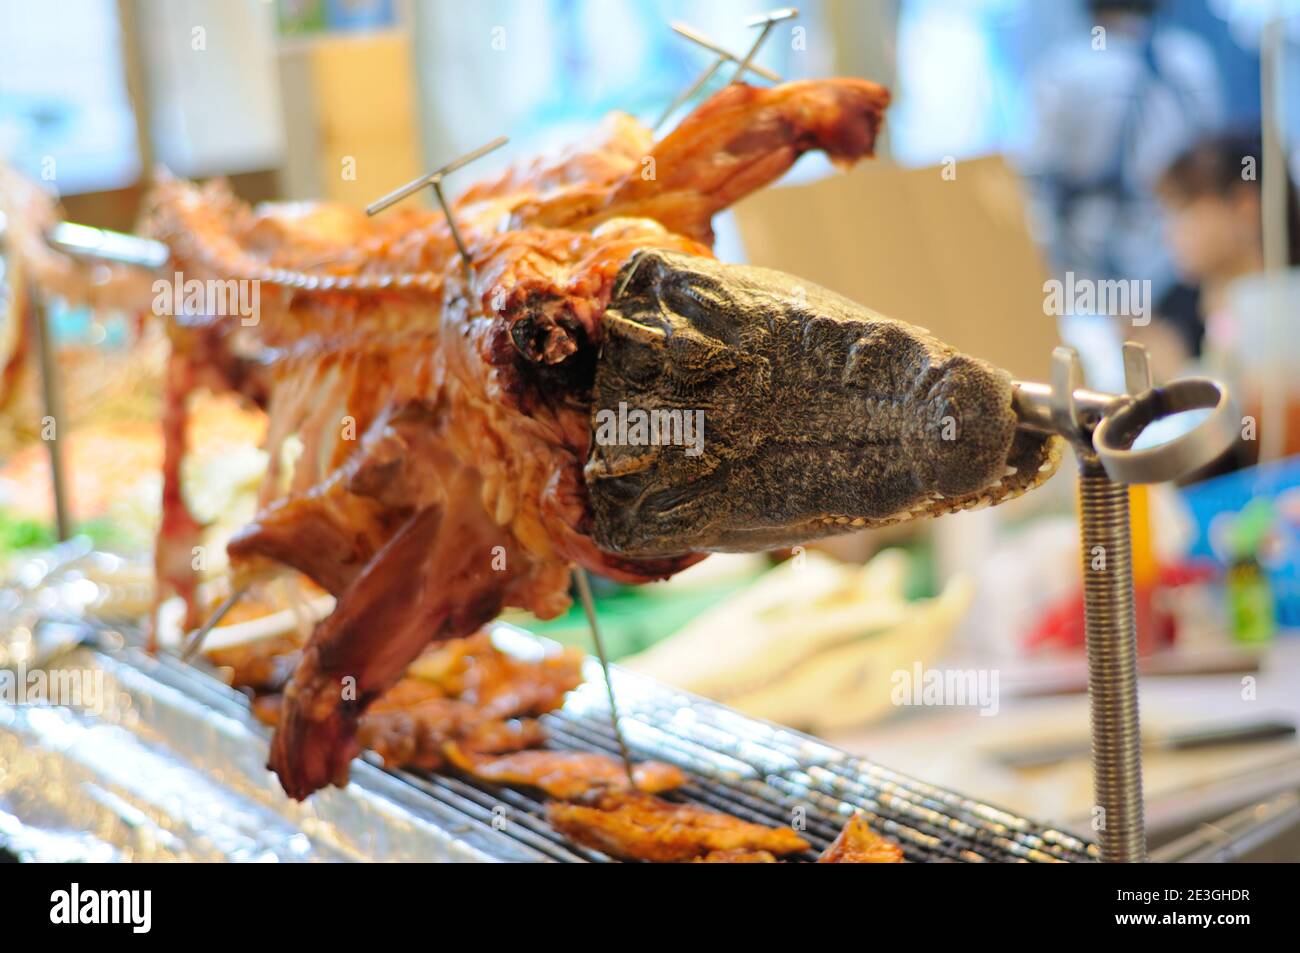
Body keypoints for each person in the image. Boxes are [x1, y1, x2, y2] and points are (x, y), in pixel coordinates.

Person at [1020, 0, 1224, 292]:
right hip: (1179, 269)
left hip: (1088, 278)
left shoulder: (1064, 71)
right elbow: (1213, 161)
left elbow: (1034, 185)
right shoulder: (1191, 62)